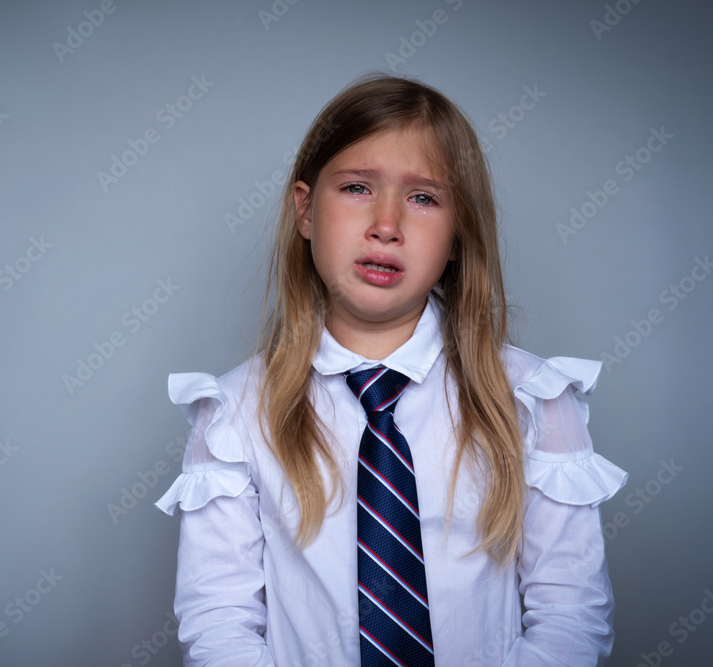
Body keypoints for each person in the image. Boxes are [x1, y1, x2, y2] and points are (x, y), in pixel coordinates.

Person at [154, 72, 628, 666]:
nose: (386, 224)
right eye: (357, 188)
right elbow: (220, 622)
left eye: (423, 198)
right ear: (304, 210)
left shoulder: (533, 401)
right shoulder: (232, 415)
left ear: (457, 235)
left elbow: (570, 615)